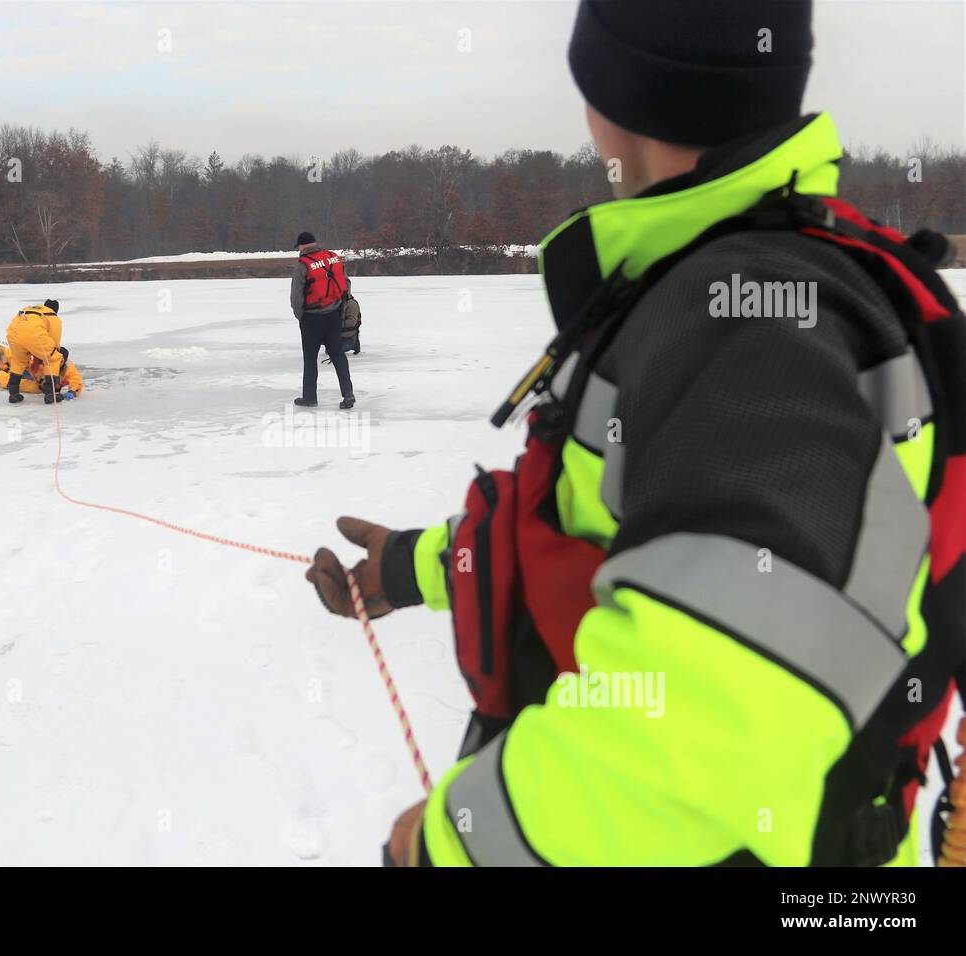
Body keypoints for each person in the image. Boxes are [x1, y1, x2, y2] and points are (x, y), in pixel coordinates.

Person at [306, 0, 965, 867]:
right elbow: (596, 528)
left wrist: (451, 844)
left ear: (610, 98)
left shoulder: (748, 320)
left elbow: (703, 740)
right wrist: (409, 567)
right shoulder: (747, 278)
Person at [290, 232, 354, 409]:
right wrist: (340, 307)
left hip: (312, 318)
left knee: (310, 358)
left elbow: (296, 296)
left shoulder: (303, 265)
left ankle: (310, 398)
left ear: (302, 246)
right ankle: (348, 394)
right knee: (338, 355)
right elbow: (346, 283)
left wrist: (300, 316)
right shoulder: (333, 257)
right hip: (334, 315)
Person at [5, 299, 62, 404]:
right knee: (54, 359)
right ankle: (50, 394)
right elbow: (54, 340)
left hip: (13, 333)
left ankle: (13, 394)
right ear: (56, 310)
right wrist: (55, 352)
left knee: (18, 361)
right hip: (33, 335)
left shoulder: (30, 309)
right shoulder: (52, 315)